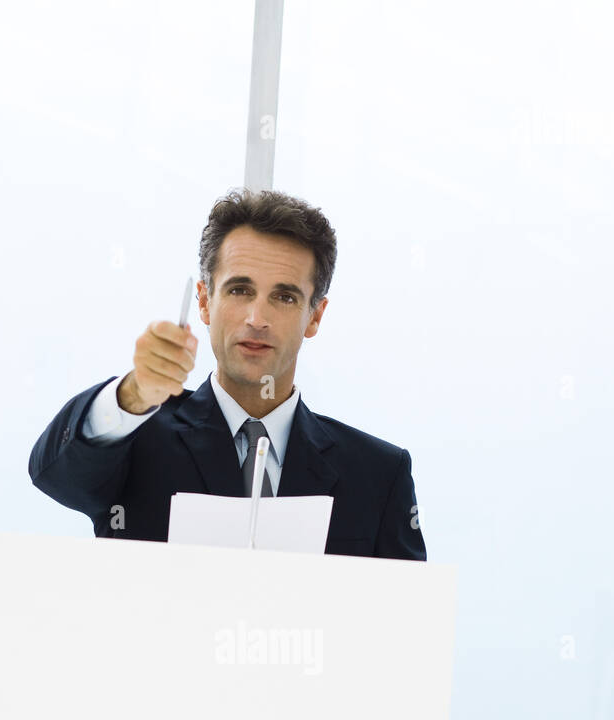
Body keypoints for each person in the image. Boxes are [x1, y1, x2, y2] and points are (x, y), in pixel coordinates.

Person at [29, 188, 426, 561]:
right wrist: (134, 394)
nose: (257, 319)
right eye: (239, 290)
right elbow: (54, 475)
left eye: (284, 297)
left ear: (315, 316)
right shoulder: (135, 442)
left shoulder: (378, 476)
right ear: (204, 302)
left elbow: (404, 623)